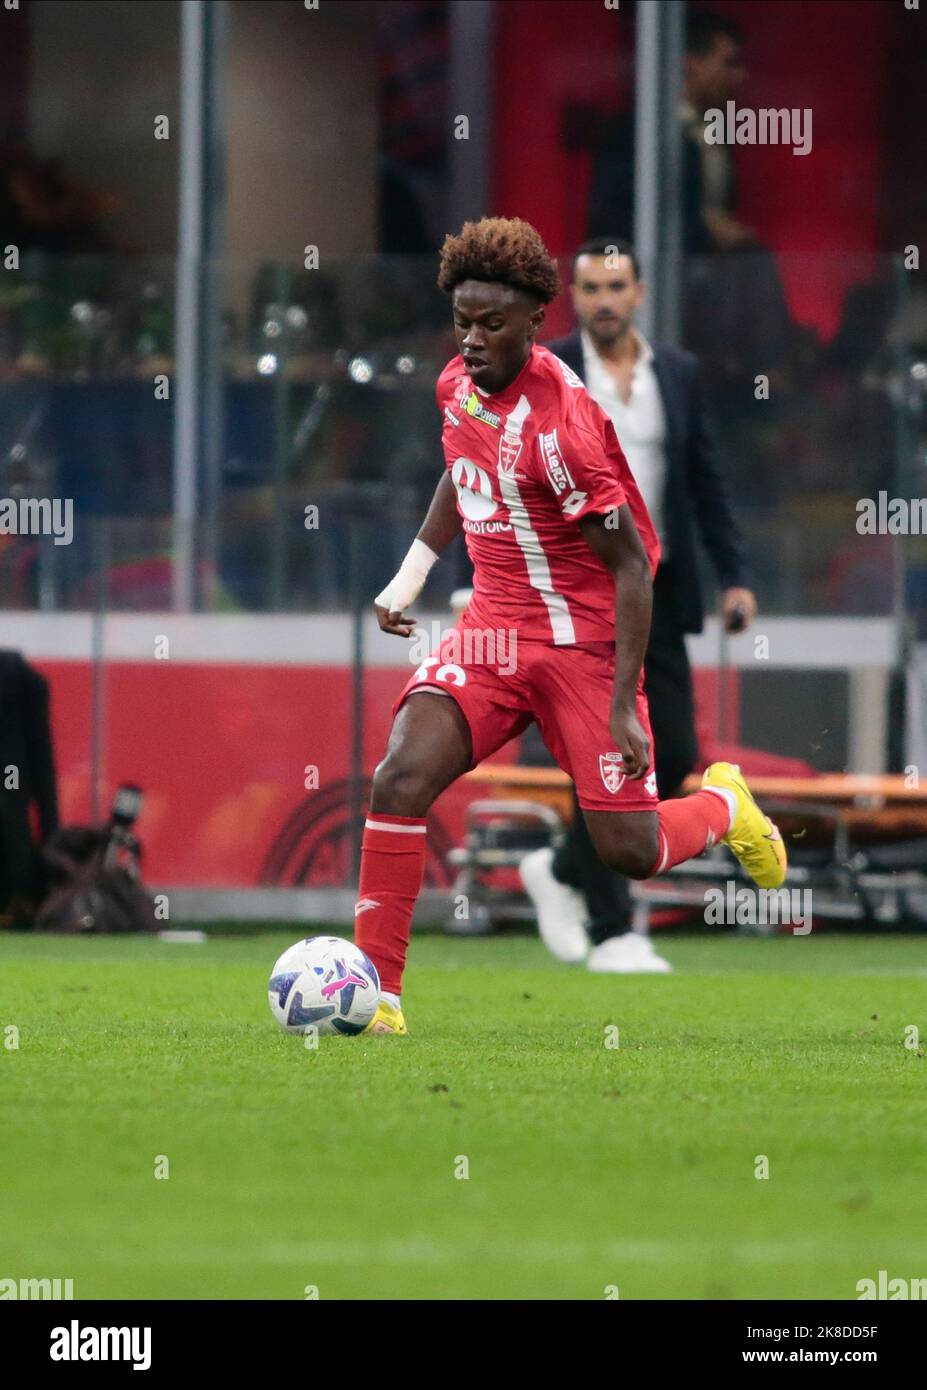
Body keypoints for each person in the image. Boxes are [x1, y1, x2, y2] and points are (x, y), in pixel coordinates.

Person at [357, 216, 786, 1035]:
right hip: (492, 629)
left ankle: (724, 810)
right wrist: (410, 575)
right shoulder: (456, 385)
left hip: (582, 646)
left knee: (626, 846)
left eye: (491, 325)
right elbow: (462, 470)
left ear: (530, 321)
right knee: (398, 778)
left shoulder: (564, 432)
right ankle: (377, 997)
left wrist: (624, 704)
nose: (473, 341)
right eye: (463, 323)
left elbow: (633, 566)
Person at [519, 237, 756, 972]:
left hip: (657, 592)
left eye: (616, 286)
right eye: (589, 288)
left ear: (639, 293)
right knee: (601, 754)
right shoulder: (548, 372)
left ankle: (558, 868)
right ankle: (615, 929)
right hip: (578, 590)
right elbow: (510, 474)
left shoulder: (676, 375)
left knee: (676, 751)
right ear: (573, 296)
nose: (604, 301)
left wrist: (733, 577)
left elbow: (702, 482)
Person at [587, 7, 752, 255]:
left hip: (713, 275)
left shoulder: (718, 131)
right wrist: (707, 231)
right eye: (728, 63)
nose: (738, 75)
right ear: (692, 63)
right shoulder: (633, 134)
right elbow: (617, 220)